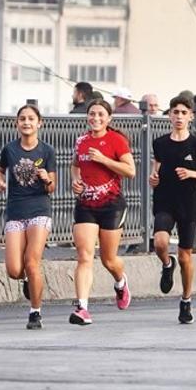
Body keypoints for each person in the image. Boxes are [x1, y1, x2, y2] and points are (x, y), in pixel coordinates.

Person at [149, 90, 196, 324]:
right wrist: (153, 178)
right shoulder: (160, 143)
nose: (179, 116)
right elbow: (154, 170)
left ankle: (186, 300)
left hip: (187, 204)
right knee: (160, 242)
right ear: (169, 116)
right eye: (175, 112)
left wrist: (191, 173)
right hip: (164, 201)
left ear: (191, 117)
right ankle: (167, 265)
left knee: (186, 257)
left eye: (183, 113)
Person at [69, 93, 136, 325]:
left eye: (100, 114)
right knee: (84, 256)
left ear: (108, 118)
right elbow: (75, 165)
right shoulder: (81, 141)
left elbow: (130, 171)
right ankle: (82, 308)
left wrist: (104, 160)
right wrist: (76, 182)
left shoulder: (117, 140)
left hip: (111, 204)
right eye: (92, 114)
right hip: (86, 204)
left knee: (109, 259)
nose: (95, 118)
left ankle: (120, 282)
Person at [0, 103, 56, 329]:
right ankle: (30, 280)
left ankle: (35, 312)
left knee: (32, 261)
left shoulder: (46, 151)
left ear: (40, 123)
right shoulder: (10, 149)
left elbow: (52, 188)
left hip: (39, 210)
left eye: (31, 118)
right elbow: (0, 169)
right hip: (15, 211)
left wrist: (45, 179)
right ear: (16, 123)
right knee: (14, 270)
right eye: (22, 119)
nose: (27, 122)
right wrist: (0, 181)